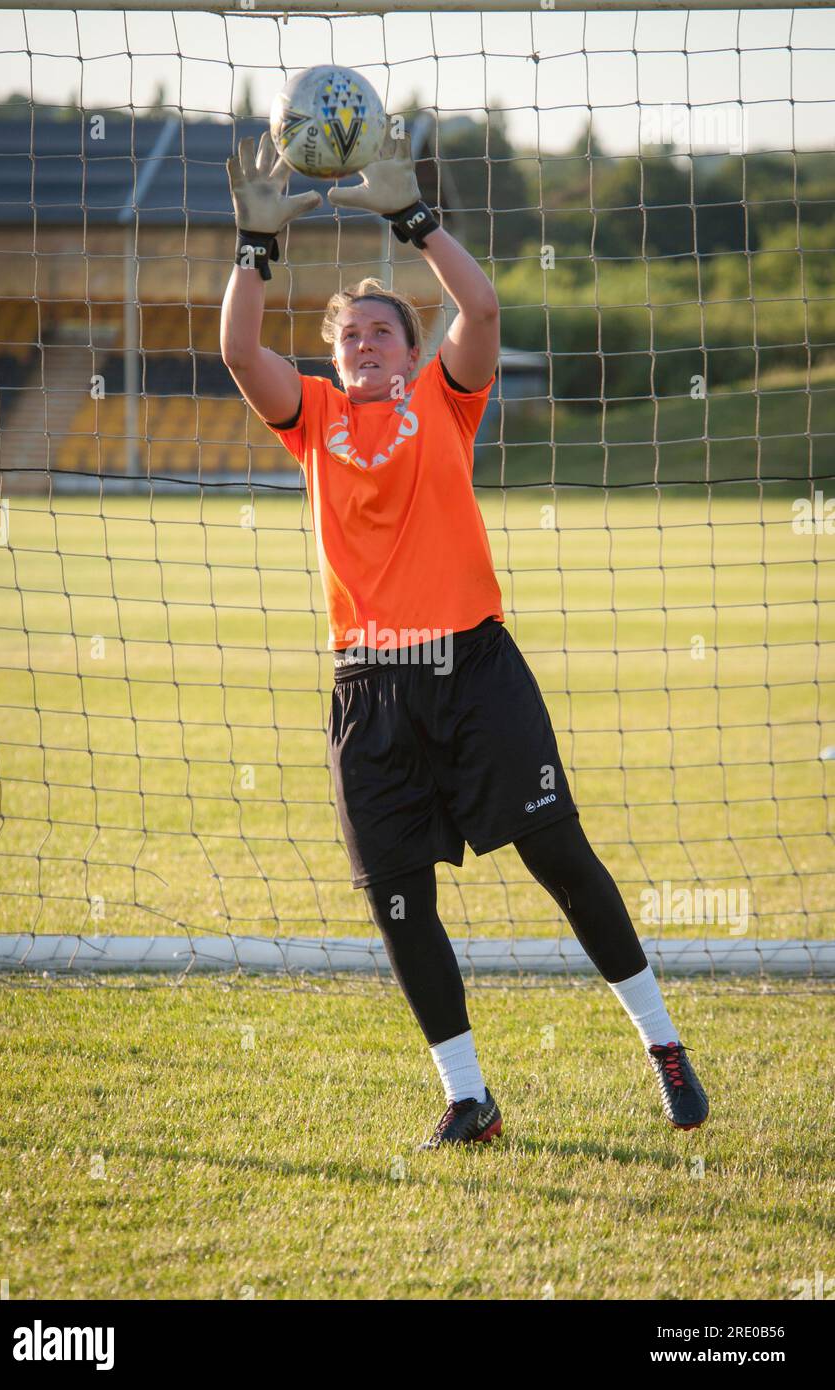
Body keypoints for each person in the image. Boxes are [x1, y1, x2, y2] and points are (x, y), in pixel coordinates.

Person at [220, 130, 709, 1149]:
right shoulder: (310, 416)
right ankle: (468, 1097)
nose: (361, 346)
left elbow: (480, 308)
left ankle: (661, 1043)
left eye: (379, 333)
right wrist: (251, 248)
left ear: (410, 348)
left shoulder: (444, 401)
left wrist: (416, 223)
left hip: (474, 672)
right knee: (398, 901)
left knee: (559, 856)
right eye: (347, 336)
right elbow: (236, 352)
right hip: (370, 692)